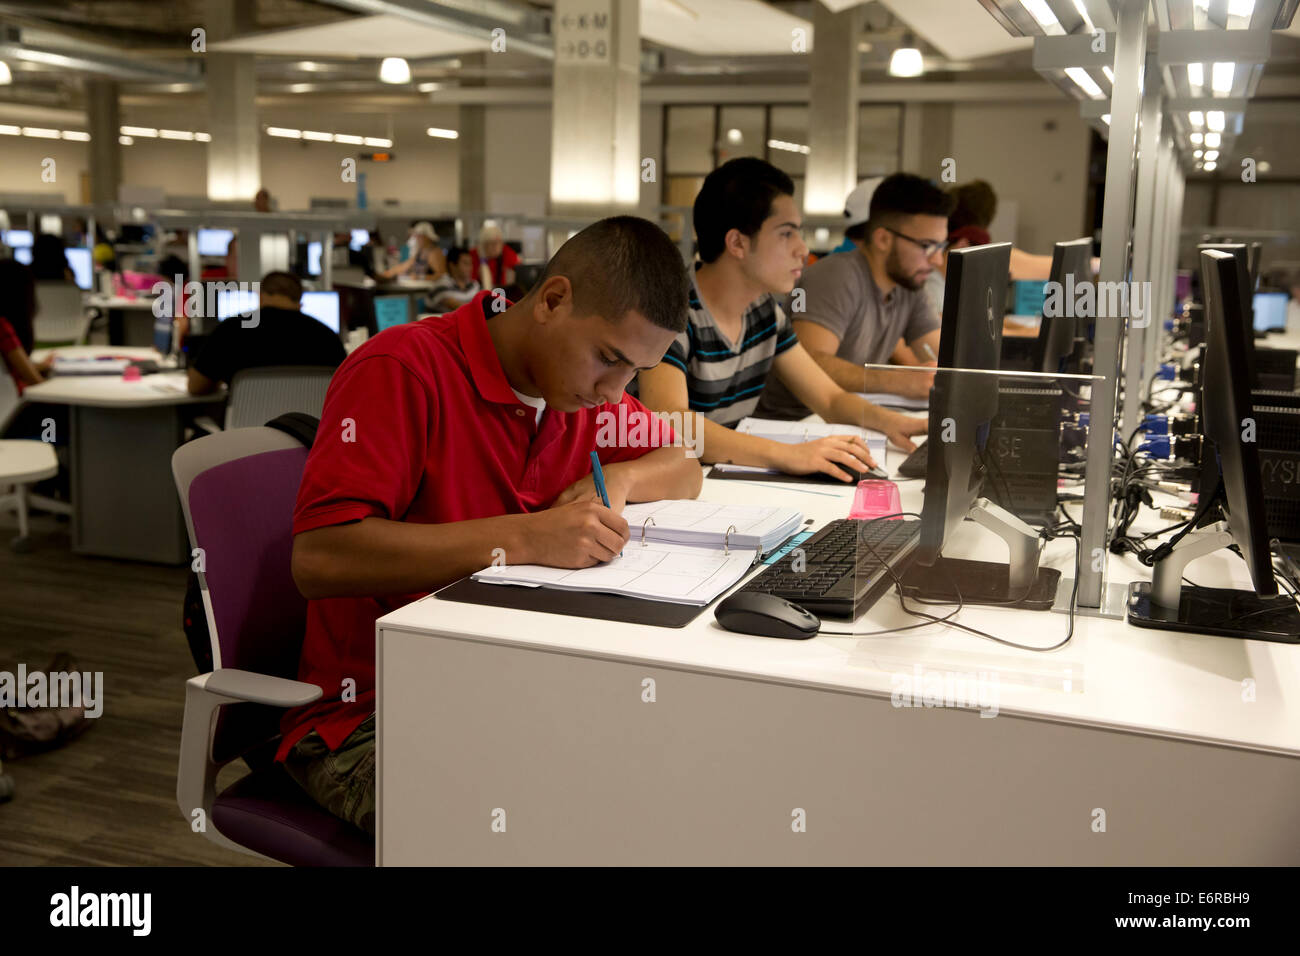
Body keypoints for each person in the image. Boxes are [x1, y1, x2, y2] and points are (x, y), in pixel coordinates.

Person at [279, 216, 702, 834]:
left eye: (634, 372)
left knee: (663, 774)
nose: (615, 393)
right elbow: (318, 559)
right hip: (372, 718)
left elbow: (682, 464)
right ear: (553, 300)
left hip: (505, 691)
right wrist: (529, 536)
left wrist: (623, 481)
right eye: (609, 358)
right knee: (547, 827)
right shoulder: (402, 371)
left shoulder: (574, 398)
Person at [636, 158, 927, 485]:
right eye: (786, 234)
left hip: (719, 481)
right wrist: (790, 454)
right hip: (664, 488)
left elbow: (828, 398)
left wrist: (889, 422)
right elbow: (673, 421)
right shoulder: (671, 311)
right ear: (737, 243)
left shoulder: (763, 311)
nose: (802, 250)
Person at [754, 172, 953, 419]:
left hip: (848, 420)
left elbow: (940, 354)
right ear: (883, 239)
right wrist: (900, 380)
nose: (936, 260)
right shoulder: (836, 276)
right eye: (927, 246)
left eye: (941, 246)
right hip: (795, 422)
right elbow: (812, 360)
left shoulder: (910, 284)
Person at [186, 270, 346, 396]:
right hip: (307, 432)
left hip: (245, 433)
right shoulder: (328, 337)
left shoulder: (231, 329)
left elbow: (196, 387)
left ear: (260, 297)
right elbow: (343, 390)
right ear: (299, 302)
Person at [0, 260, 50, 397]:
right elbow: (35, 382)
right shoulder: (3, 327)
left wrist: (40, 366)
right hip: (16, 409)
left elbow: (10, 368)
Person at [381, 221, 445, 281]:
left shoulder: (434, 252)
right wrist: (387, 274)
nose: (417, 239)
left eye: (419, 236)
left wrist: (421, 277)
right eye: (417, 236)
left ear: (427, 237)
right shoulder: (420, 252)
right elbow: (404, 266)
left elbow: (441, 275)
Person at [425, 246, 481, 312]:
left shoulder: (474, 285)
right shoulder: (441, 285)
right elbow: (458, 307)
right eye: (465, 264)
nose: (470, 267)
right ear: (452, 265)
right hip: (442, 321)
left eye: (471, 263)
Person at [472, 222, 518, 291]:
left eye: (499, 242)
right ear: (484, 244)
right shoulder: (474, 255)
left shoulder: (505, 251)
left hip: (501, 291)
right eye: (493, 243)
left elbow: (519, 267)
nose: (497, 246)